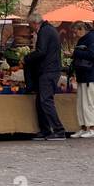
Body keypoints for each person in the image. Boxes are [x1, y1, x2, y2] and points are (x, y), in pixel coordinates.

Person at [24, 11, 67, 140]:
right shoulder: (49, 30)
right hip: (49, 70)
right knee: (40, 101)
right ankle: (45, 130)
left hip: (48, 71)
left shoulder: (45, 31)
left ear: (34, 23)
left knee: (45, 101)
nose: (30, 28)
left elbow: (41, 52)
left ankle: (59, 130)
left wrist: (27, 58)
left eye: (30, 25)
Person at [70, 19, 94, 138]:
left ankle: (93, 129)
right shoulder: (83, 39)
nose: (75, 34)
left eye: (75, 32)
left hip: (89, 75)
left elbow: (92, 54)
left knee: (88, 103)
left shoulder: (91, 39)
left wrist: (76, 53)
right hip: (82, 75)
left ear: (81, 29)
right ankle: (83, 127)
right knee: (81, 103)